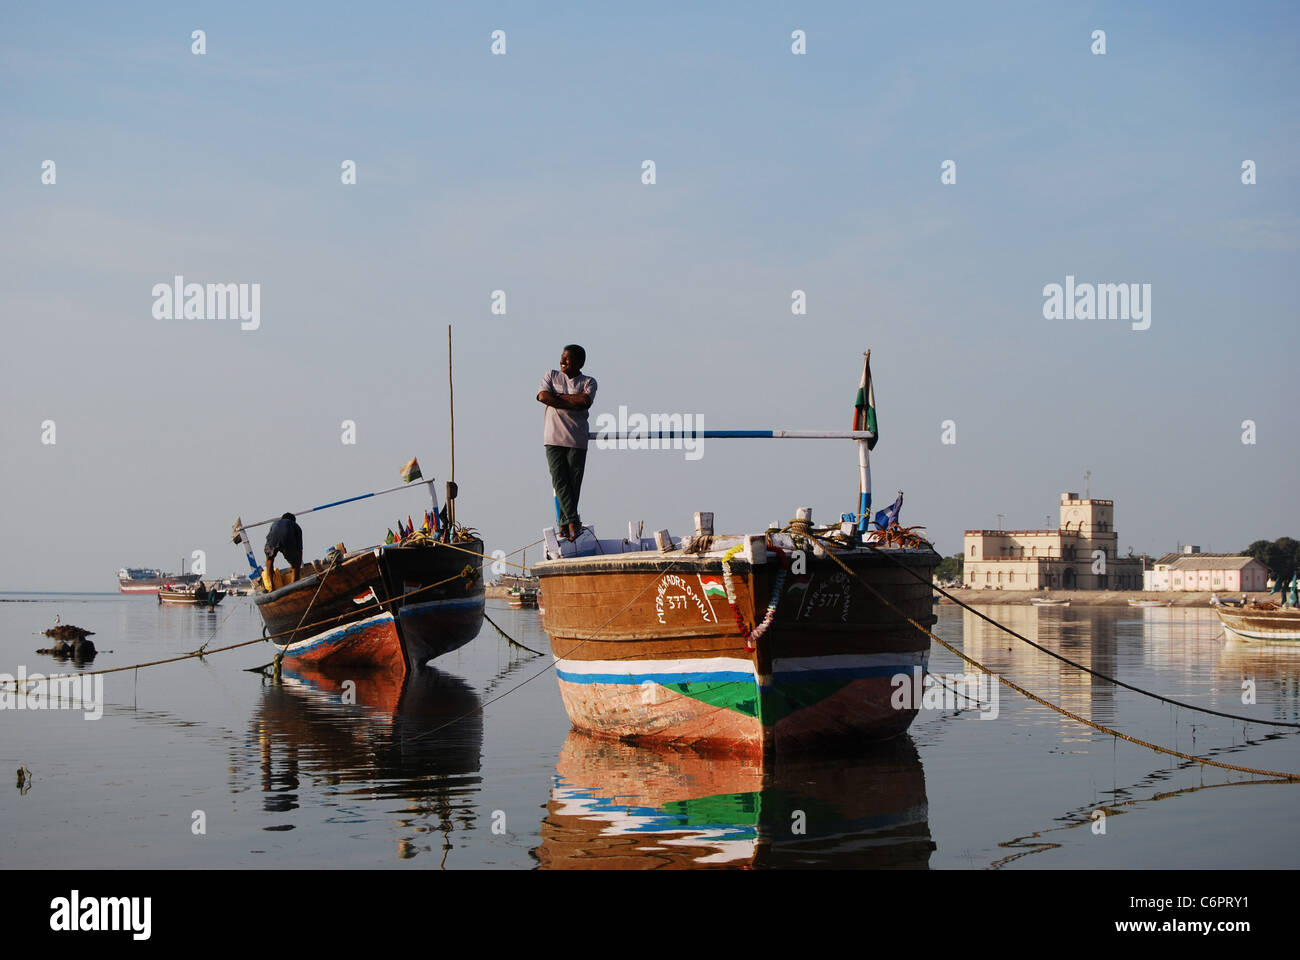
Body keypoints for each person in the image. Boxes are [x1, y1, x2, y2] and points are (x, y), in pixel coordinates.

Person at [537, 344, 596, 541]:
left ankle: (564, 525)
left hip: (576, 439)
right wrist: (570, 402)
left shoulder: (588, 381)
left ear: (579, 362)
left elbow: (584, 401)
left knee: (573, 484)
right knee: (559, 481)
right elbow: (543, 396)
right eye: (562, 357)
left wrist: (557, 399)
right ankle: (572, 522)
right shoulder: (551, 375)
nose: (562, 361)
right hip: (553, 437)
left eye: (568, 358)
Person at [265, 512, 303, 582]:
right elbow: (300, 549)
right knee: (295, 565)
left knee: (269, 560)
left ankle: (271, 586)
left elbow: (270, 536)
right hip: (287, 540)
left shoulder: (275, 523)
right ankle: (294, 584)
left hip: (272, 541)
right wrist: (298, 564)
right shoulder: (295, 525)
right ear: (293, 521)